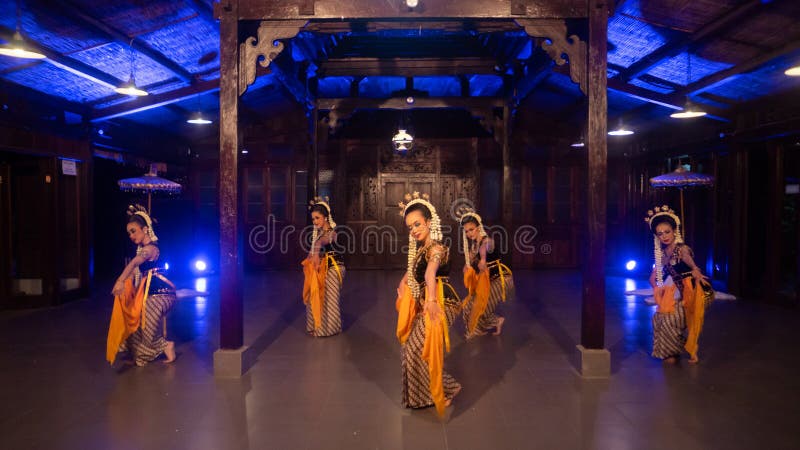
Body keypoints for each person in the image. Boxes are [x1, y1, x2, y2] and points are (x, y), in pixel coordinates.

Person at [395, 192, 461, 416]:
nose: (413, 230)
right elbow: (412, 270)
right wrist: (402, 283)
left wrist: (431, 300)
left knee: (418, 348)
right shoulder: (422, 250)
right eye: (410, 227)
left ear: (429, 222)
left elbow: (430, 273)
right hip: (429, 301)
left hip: (442, 302)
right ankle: (441, 389)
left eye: (417, 224)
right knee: (412, 347)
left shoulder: (436, 248)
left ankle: (442, 391)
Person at [107, 205, 176, 367]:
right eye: (129, 233)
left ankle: (166, 345)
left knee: (146, 334)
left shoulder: (150, 249)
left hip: (161, 295)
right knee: (134, 327)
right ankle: (145, 351)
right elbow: (133, 271)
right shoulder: (142, 249)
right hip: (148, 296)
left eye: (134, 231)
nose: (131, 236)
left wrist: (120, 281)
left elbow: (134, 263)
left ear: (145, 229)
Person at [646, 205, 713, 364]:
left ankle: (678, 350)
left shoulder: (682, 249)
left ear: (674, 231)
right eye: (660, 234)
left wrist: (695, 269)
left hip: (687, 294)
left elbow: (689, 261)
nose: (664, 236)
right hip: (672, 295)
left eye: (667, 232)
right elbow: (653, 278)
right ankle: (671, 352)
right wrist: (657, 288)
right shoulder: (663, 254)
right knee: (658, 319)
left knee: (671, 321)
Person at [459, 209, 513, 338]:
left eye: (471, 229)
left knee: (480, 307)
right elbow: (470, 260)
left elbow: (485, 247)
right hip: (487, 281)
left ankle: (486, 325)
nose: (469, 233)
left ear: (478, 228)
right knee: (468, 306)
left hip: (501, 280)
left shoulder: (487, 241)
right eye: (466, 231)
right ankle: (493, 322)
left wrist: (483, 259)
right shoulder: (474, 246)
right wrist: (466, 267)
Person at [301, 197, 345, 337]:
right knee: (316, 295)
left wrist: (317, 246)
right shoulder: (319, 234)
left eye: (317, 218)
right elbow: (313, 251)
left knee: (329, 300)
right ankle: (318, 326)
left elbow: (322, 242)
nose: (315, 221)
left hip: (333, 269)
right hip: (323, 269)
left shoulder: (332, 232)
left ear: (325, 217)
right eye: (313, 219)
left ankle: (329, 329)